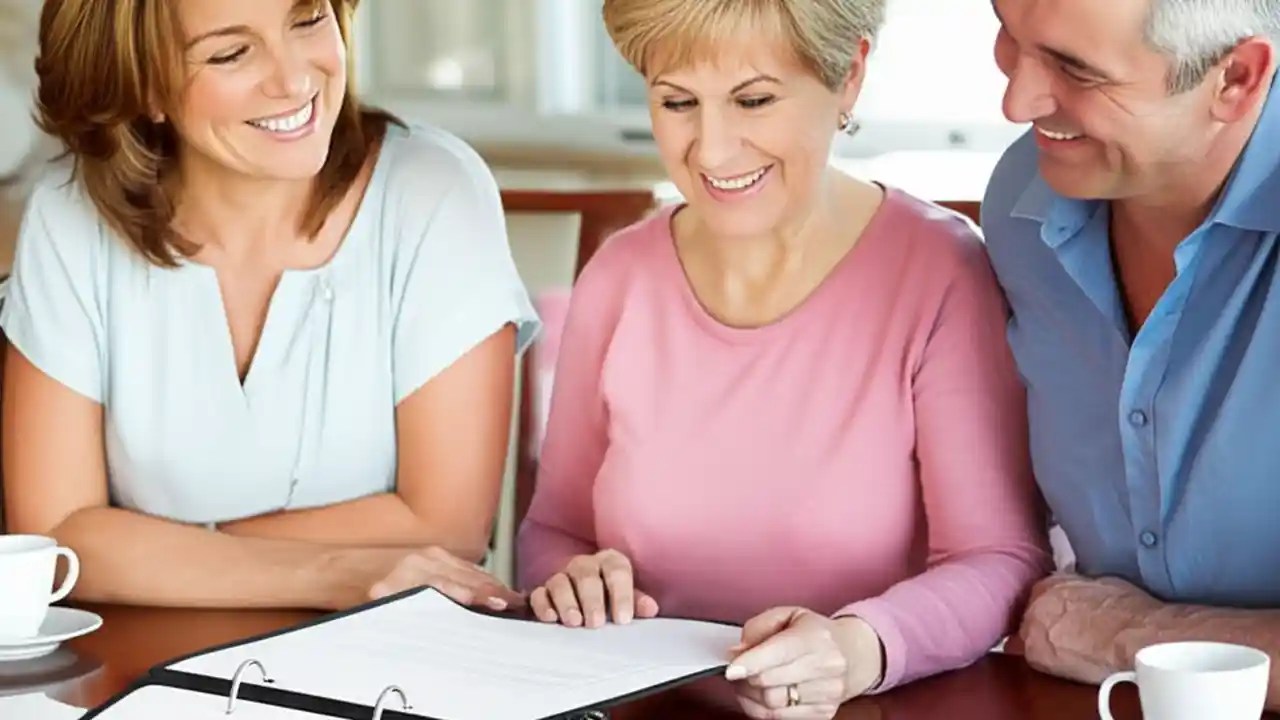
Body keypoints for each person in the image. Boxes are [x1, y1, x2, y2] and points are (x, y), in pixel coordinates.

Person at [516, 0, 1052, 716]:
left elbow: (999, 560)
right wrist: (571, 580)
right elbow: (553, 533)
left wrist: (854, 650)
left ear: (849, 77)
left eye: (754, 100)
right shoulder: (618, 276)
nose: (710, 150)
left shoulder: (940, 272)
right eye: (678, 102)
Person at [0, 0, 538, 611]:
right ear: (143, 83)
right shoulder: (69, 216)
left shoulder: (434, 191)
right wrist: (334, 571)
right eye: (231, 53)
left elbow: (447, 529)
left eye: (308, 19)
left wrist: (151, 552)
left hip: (382, 675)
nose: (294, 80)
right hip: (140, 673)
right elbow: (55, 542)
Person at [982, 0, 1280, 708]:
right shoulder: (1024, 201)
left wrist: (1135, 637)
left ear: (1235, 78)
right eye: (1009, 35)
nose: (1015, 100)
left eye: (1074, 68)